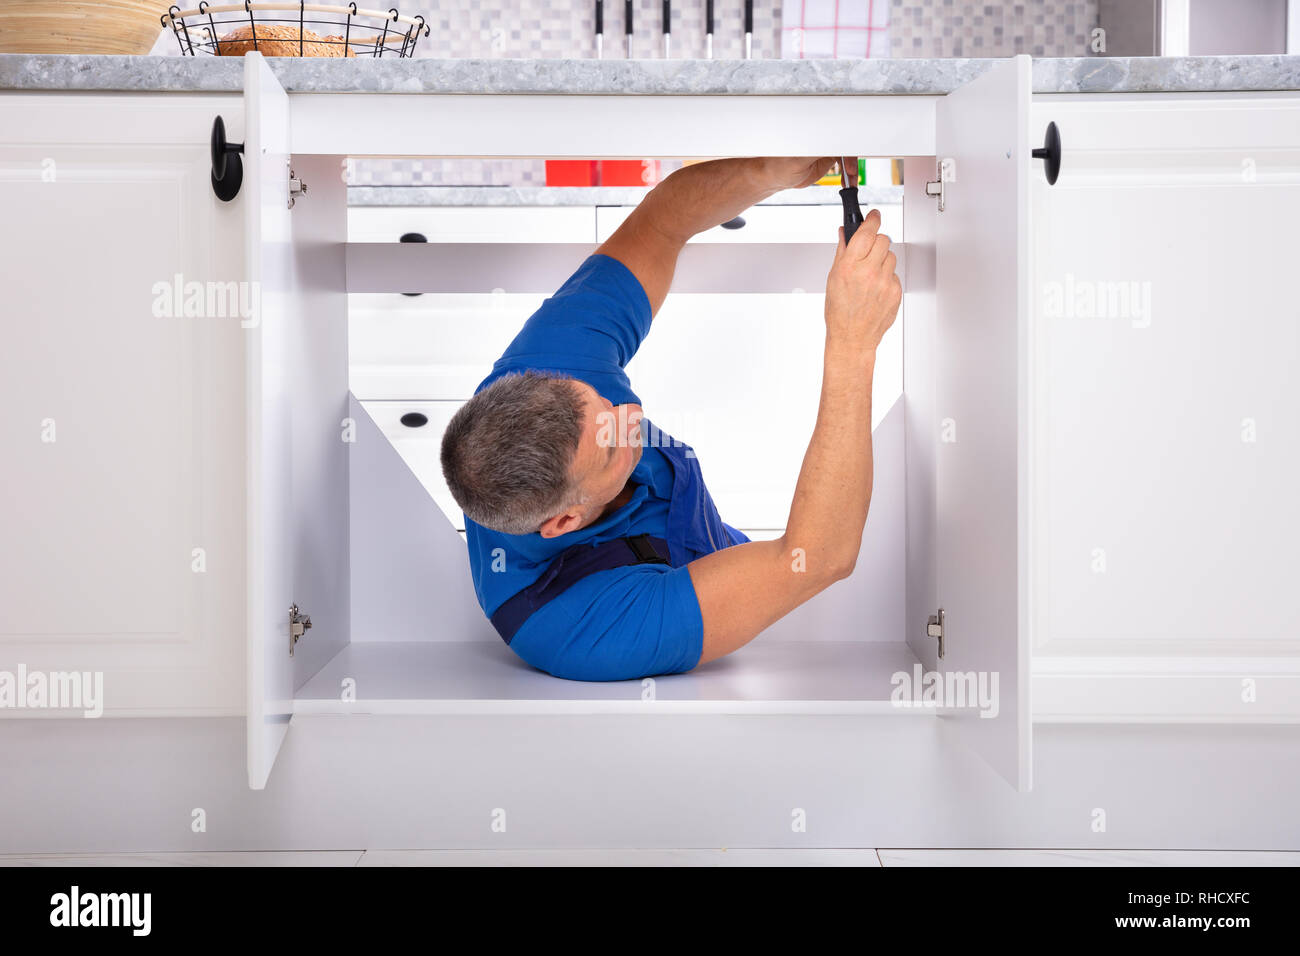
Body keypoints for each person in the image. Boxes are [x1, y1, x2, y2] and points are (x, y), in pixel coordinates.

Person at [440, 157, 901, 681]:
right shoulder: (580, 625)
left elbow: (661, 223)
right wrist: (853, 342)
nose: (631, 414)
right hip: (724, 588)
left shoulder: (542, 374)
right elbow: (817, 559)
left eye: (601, 401)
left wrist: (771, 171)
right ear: (566, 520)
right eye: (613, 447)